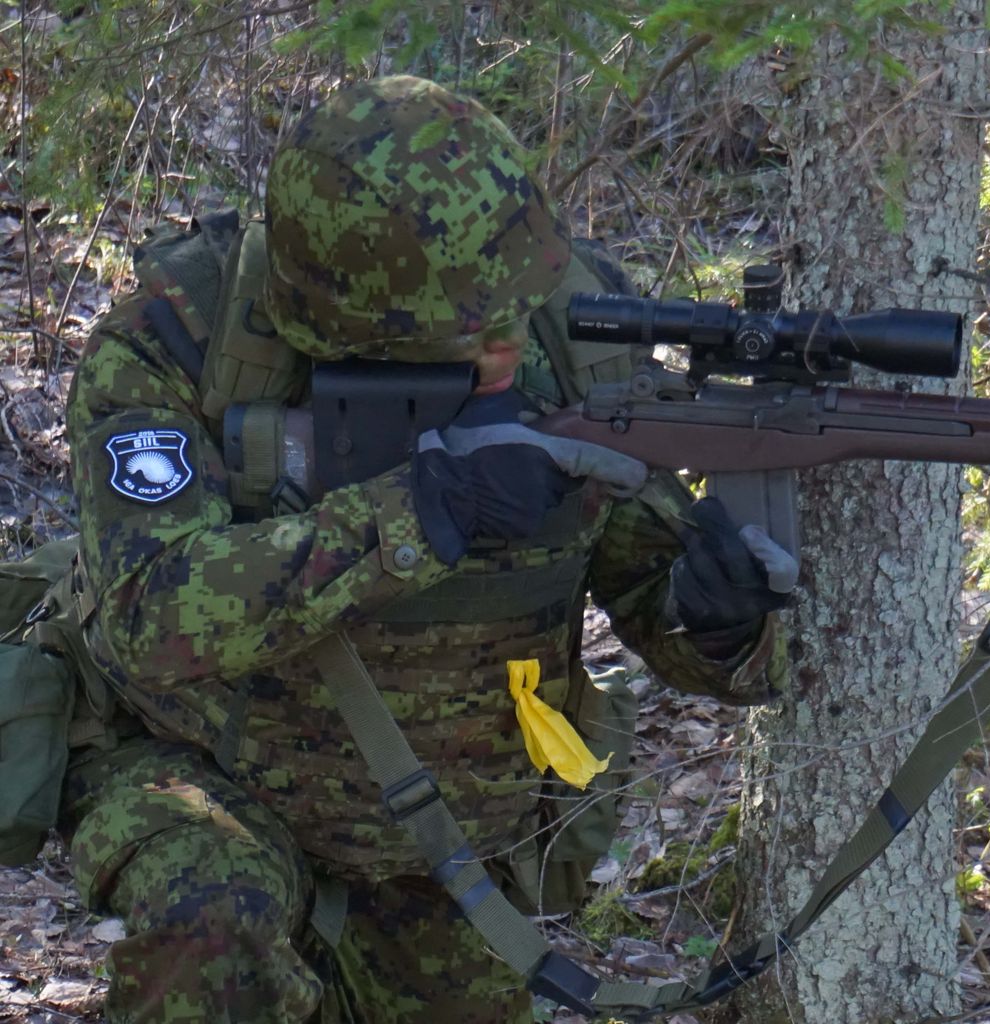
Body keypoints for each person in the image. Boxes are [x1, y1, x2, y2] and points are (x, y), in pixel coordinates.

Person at [60, 75, 791, 1023]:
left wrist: (720, 616)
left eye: (509, 317)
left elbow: (654, 590)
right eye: (469, 331)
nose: (504, 346)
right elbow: (148, 615)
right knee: (209, 932)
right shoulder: (175, 344)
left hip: (435, 837)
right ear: (350, 320)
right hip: (197, 773)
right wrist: (423, 511)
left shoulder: (566, 331)